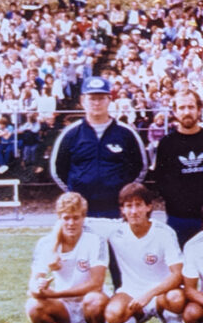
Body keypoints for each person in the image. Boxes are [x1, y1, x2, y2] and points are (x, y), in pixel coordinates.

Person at [102, 184, 186, 323]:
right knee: (112, 314)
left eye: (139, 205)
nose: (134, 211)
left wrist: (148, 295)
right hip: (131, 292)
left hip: (162, 293)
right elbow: (76, 219)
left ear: (149, 207)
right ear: (122, 210)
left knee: (177, 297)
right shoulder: (114, 230)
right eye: (129, 206)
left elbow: (177, 275)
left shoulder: (164, 232)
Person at [26, 192, 111, 323]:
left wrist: (54, 294)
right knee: (33, 306)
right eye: (66, 218)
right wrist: (40, 286)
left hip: (89, 301)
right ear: (59, 218)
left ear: (83, 217)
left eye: (76, 218)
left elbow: (96, 284)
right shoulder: (46, 243)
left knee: (94, 300)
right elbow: (33, 285)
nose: (71, 223)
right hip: (65, 306)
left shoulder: (95, 240)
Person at [51, 76, 148, 219]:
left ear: (109, 100)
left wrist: (126, 195)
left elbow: (140, 167)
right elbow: (58, 170)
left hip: (116, 211)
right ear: (82, 101)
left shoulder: (126, 133)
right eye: (92, 98)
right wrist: (75, 192)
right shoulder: (70, 134)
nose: (96, 103)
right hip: (81, 212)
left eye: (101, 98)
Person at [152, 90, 203, 246]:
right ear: (175, 112)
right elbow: (161, 181)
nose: (187, 112)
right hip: (179, 218)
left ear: (199, 110)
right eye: (182, 108)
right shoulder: (167, 144)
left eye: (191, 107)